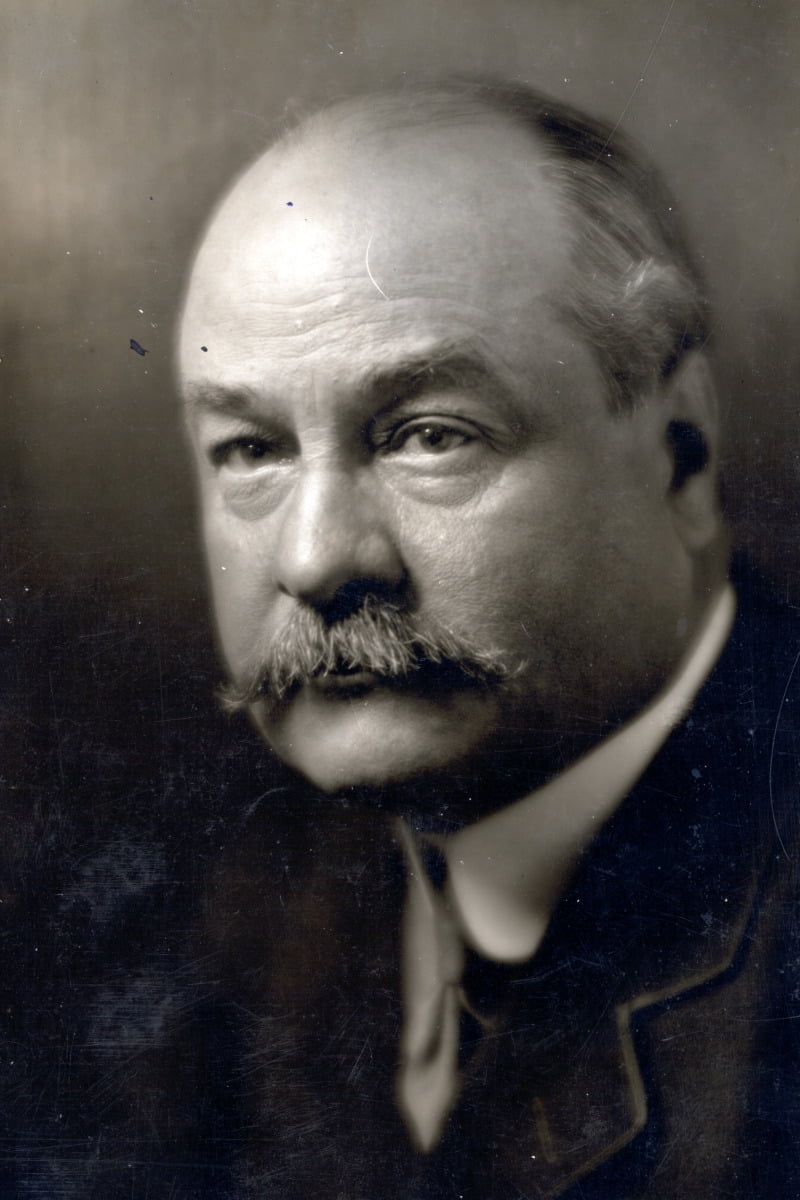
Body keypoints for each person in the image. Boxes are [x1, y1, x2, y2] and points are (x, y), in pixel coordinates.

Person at [35, 80, 800, 1199]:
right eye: (250, 450)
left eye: (428, 436)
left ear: (677, 454)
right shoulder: (184, 916)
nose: (313, 561)